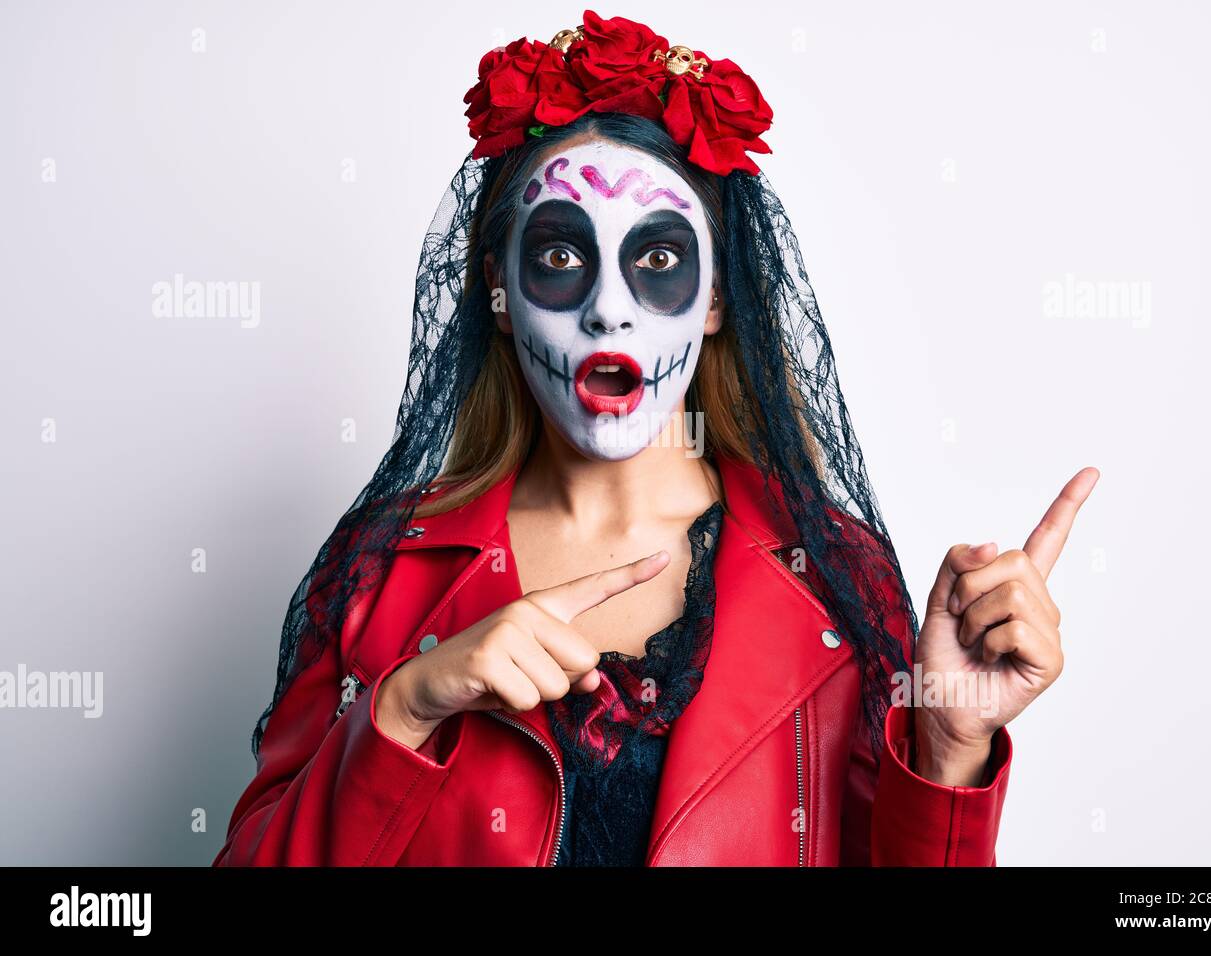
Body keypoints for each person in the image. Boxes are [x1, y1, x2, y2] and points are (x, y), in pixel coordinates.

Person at [214, 11, 1097, 866]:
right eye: (560, 257)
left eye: (660, 259)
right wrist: (402, 712)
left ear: (716, 298)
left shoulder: (831, 579)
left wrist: (950, 751)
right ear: (498, 291)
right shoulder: (379, 575)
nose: (608, 309)